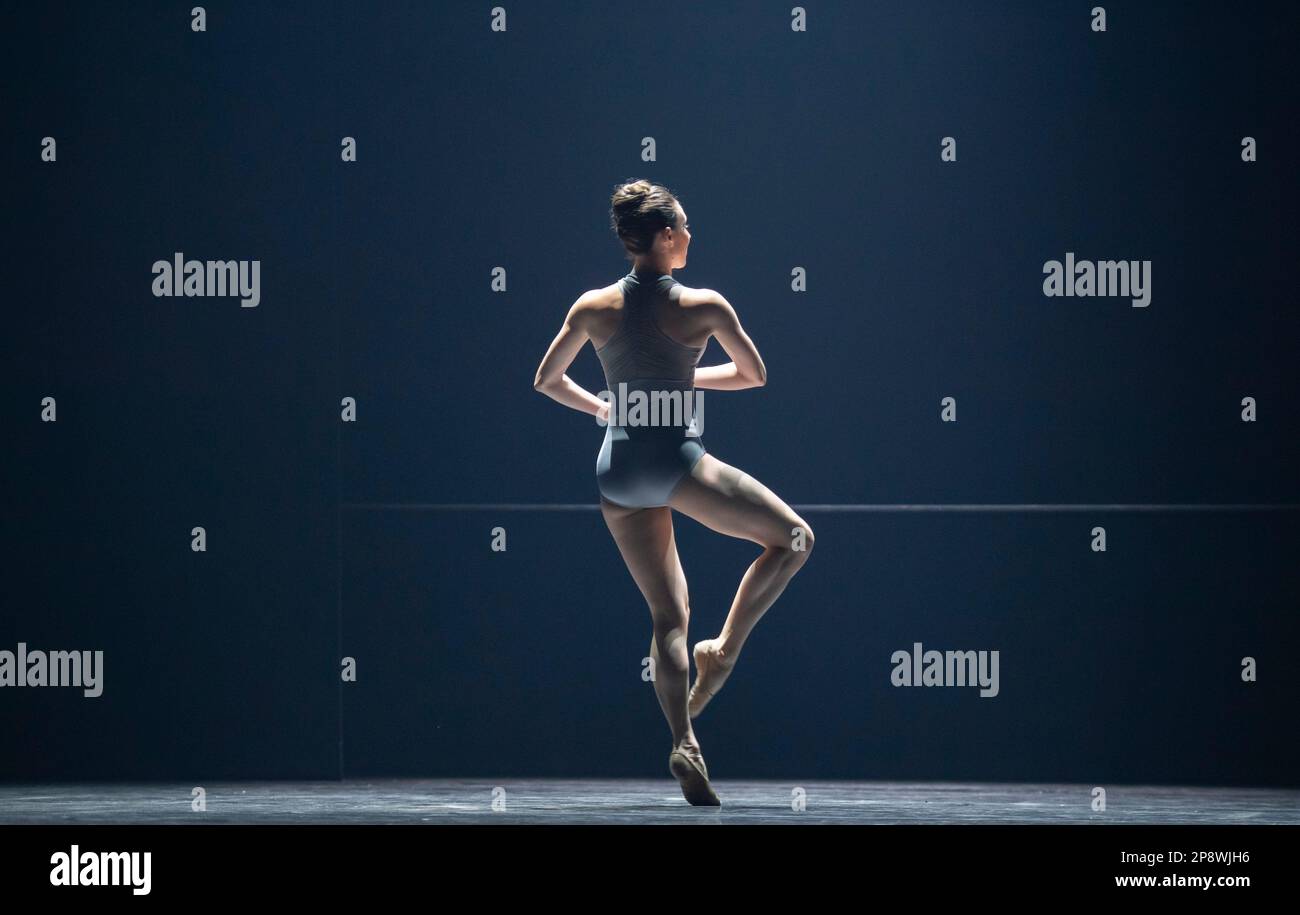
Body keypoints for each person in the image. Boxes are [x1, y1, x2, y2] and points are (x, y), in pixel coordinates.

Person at [533, 179, 814, 806]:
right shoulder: (703, 305)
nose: (690, 236)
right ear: (663, 237)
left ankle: (684, 740)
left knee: (667, 618)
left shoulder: (592, 306)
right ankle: (722, 654)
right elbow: (754, 375)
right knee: (796, 539)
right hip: (676, 462)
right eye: (683, 227)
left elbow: (546, 380)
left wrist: (600, 409)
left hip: (618, 473)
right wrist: (689, 380)